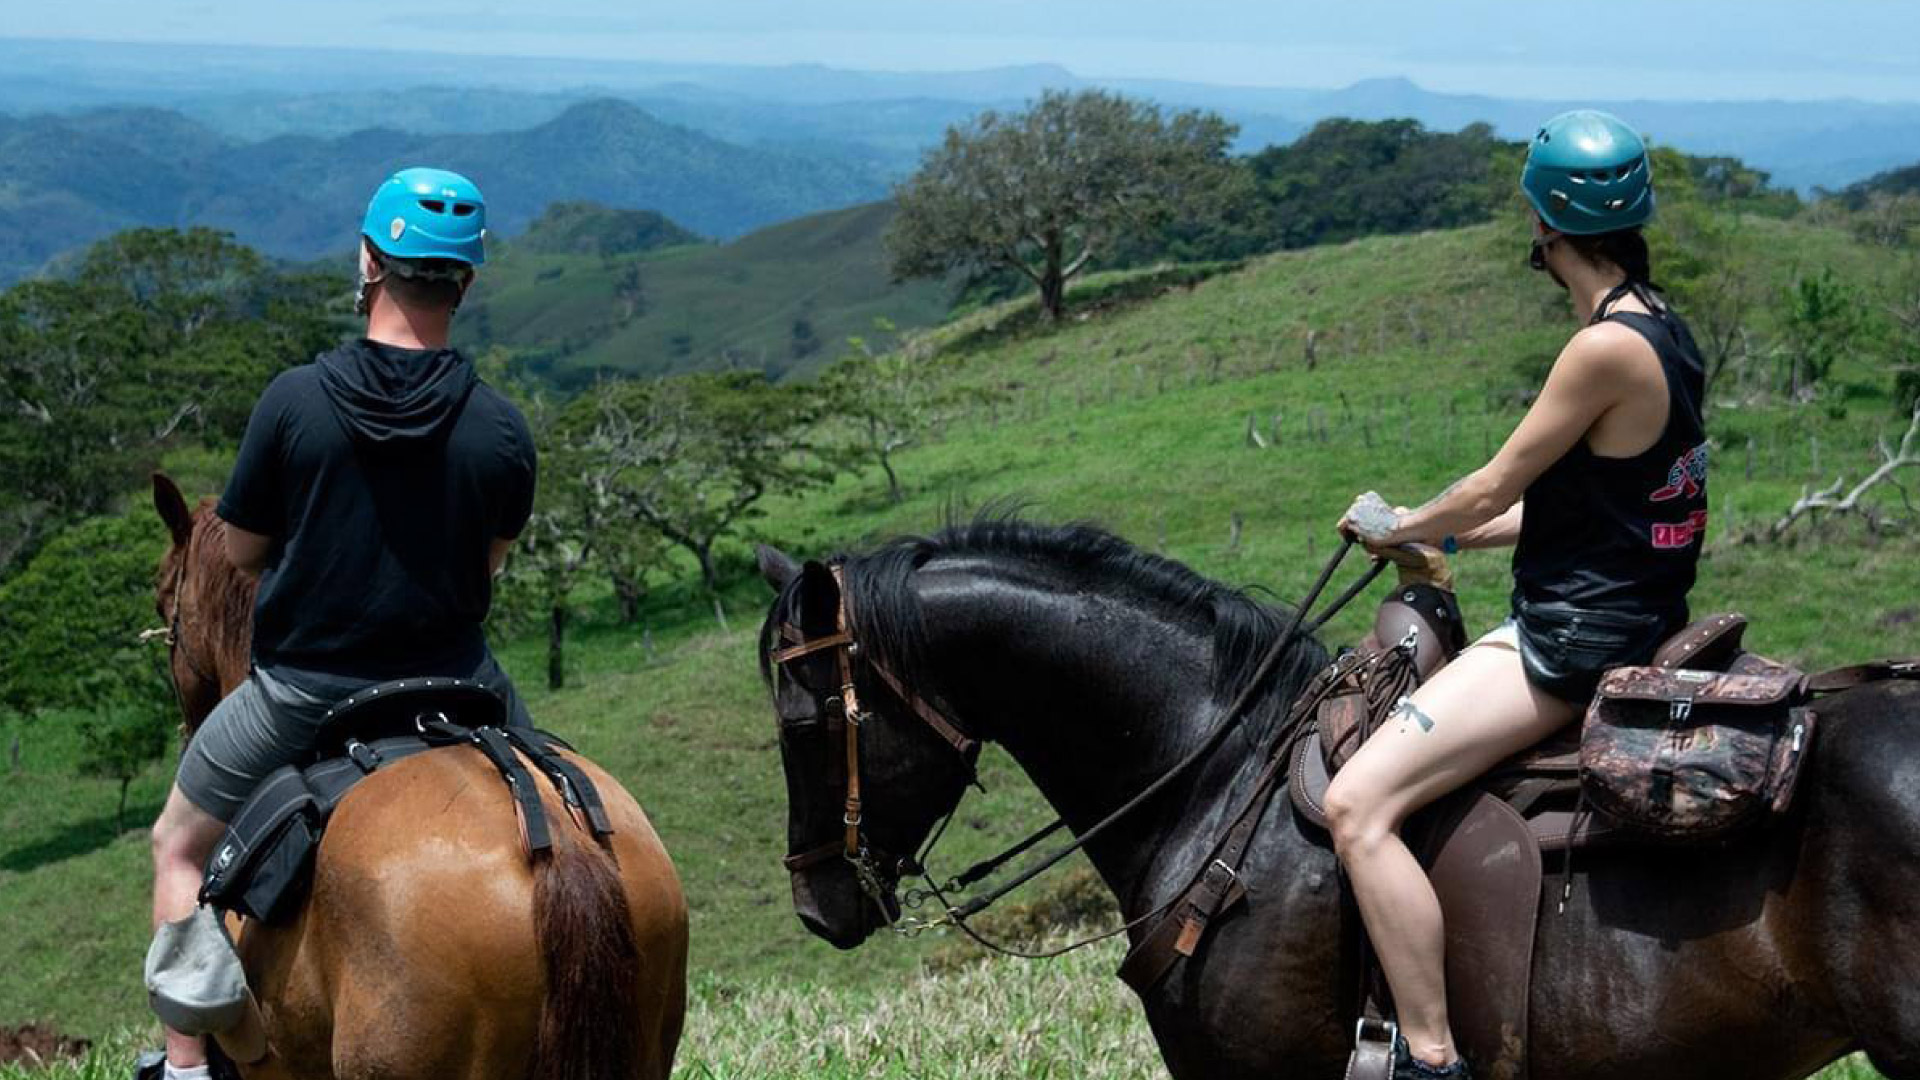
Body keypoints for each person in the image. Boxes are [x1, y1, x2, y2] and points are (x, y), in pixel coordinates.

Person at [1328, 111, 1708, 1080]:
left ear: (1546, 228)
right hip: (1631, 612)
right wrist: (1428, 524)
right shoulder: (1661, 330)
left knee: (1357, 803)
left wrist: (1395, 528)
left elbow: (1500, 485)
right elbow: (1569, 510)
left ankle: (1429, 1056)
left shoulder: (1600, 352)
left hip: (1568, 647)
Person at [142, 167, 537, 1080]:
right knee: (553, 818)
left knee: (176, 844)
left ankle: (190, 1069)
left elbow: (240, 554)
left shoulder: (294, 402)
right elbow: (490, 564)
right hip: (463, 688)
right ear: (466, 283)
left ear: (368, 262)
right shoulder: (502, 429)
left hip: (302, 693)